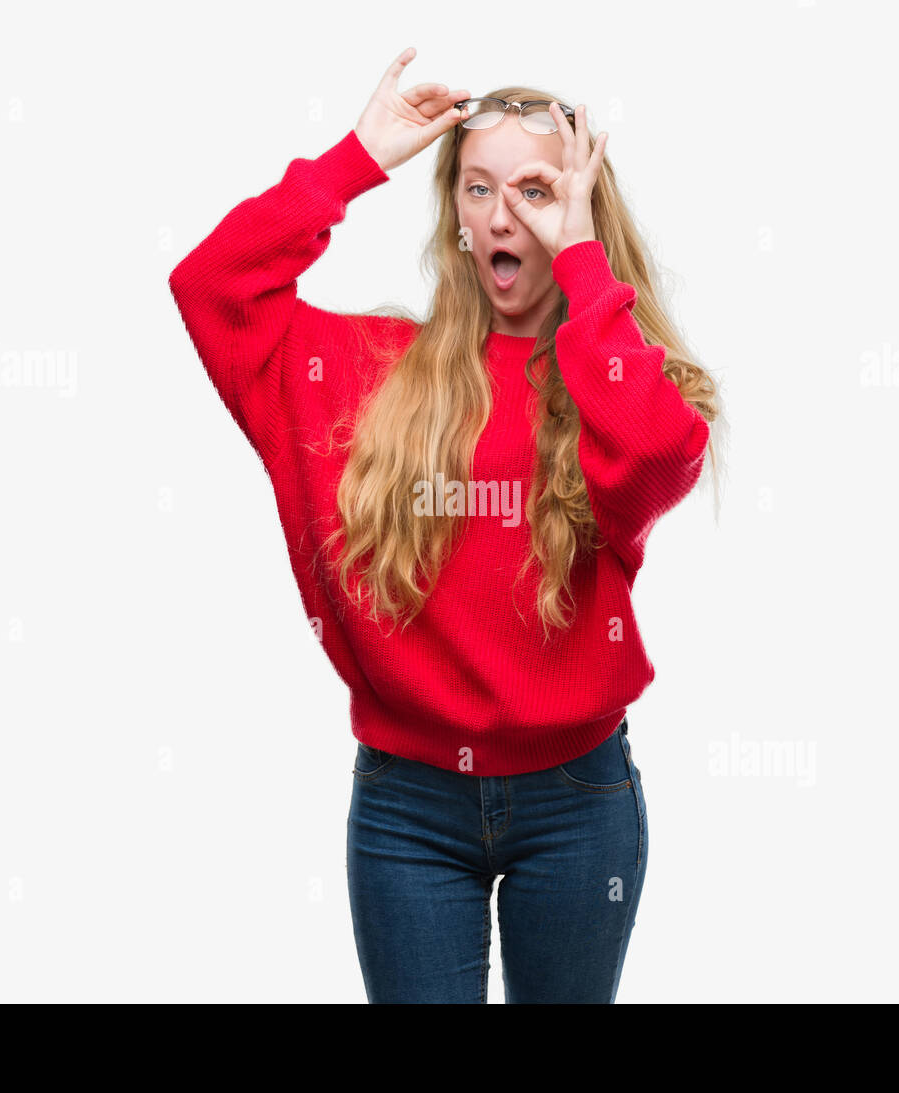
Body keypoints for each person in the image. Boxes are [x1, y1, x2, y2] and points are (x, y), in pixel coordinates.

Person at [168, 45, 726, 1003]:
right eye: (478, 188)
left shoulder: (611, 386)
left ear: (580, 208)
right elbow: (212, 290)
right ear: (454, 211)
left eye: (537, 191)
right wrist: (360, 155)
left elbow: (657, 451)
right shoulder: (365, 374)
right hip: (407, 810)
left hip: (579, 802)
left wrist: (583, 258)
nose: (503, 215)